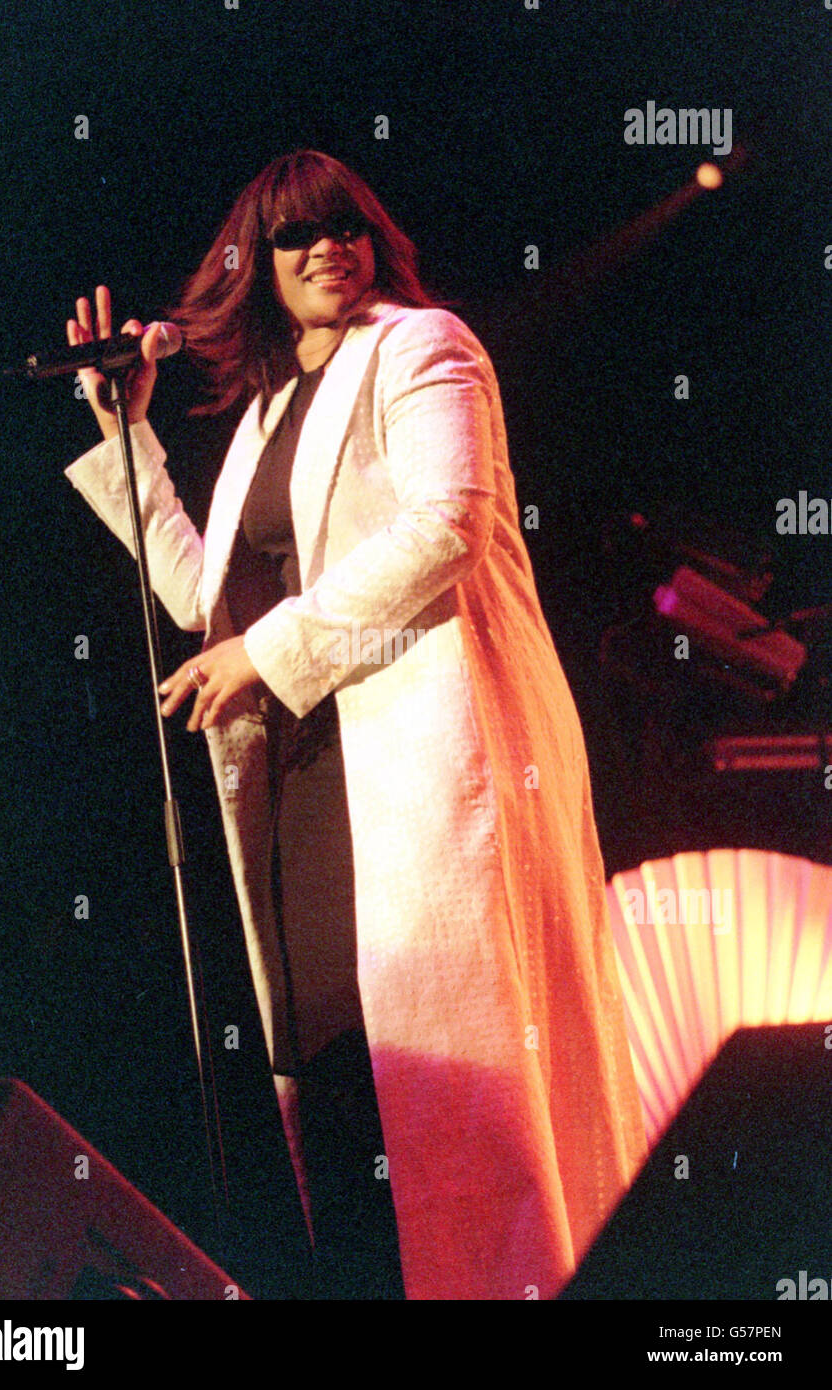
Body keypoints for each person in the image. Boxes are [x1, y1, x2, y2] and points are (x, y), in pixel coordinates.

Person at [63, 148, 647, 1301]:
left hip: (418, 768)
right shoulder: (271, 408)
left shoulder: (425, 348)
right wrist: (127, 432)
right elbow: (202, 598)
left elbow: (446, 528)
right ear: (257, 269)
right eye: (296, 236)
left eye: (346, 227)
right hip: (304, 788)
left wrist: (264, 655)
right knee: (338, 1105)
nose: (327, 247)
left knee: (455, 1106)